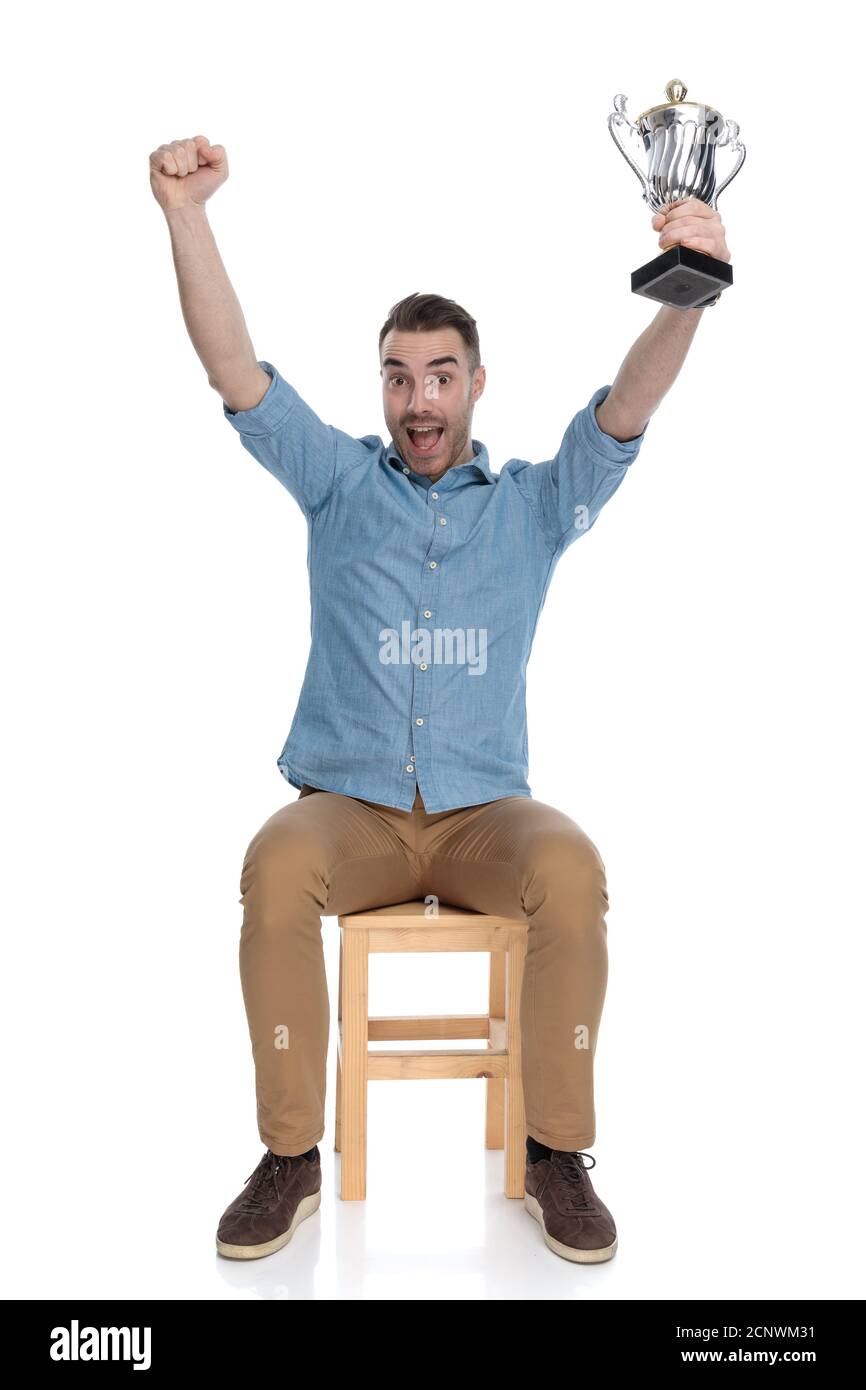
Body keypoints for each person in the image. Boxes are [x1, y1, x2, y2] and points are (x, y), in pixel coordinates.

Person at [150, 134, 731, 1265]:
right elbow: (233, 368)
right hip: (352, 813)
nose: (419, 400)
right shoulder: (335, 482)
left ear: (475, 383)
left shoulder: (528, 508)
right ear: (382, 385)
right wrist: (184, 214)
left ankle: (552, 1151)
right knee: (274, 863)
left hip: (480, 819)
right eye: (399, 376)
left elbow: (623, 410)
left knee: (568, 864)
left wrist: (692, 291)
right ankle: (287, 1157)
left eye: (440, 375)